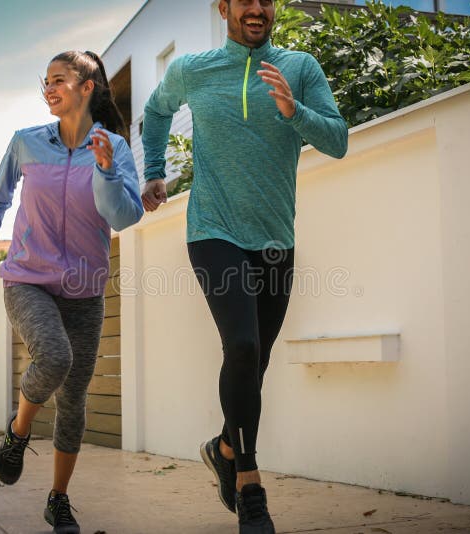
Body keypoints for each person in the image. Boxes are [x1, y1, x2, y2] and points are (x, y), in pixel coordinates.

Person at [141, 0, 348, 532]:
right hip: (213, 229)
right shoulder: (193, 68)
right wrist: (156, 171)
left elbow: (339, 140)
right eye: (245, 0)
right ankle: (251, 483)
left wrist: (294, 113)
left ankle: (225, 446)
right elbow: (157, 109)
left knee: (255, 365)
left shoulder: (300, 68)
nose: (256, 8)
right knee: (244, 344)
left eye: (266, 0)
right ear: (224, 7)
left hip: (276, 238)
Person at [0, 50, 143, 534]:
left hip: (85, 289)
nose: (49, 87)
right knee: (56, 358)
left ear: (87, 87)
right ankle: (19, 430)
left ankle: (58, 500)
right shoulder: (27, 143)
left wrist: (105, 168)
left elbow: (125, 217)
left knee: (75, 399)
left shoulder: (114, 149)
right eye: (45, 81)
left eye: (59, 80)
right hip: (26, 278)